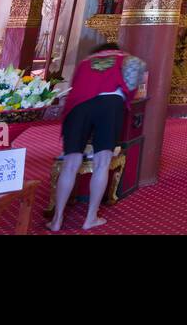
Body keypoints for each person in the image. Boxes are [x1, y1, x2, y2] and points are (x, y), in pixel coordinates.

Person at [48, 43, 145, 231]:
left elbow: (73, 87)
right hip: (110, 104)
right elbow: (132, 86)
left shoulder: (86, 61)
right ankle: (90, 217)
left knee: (70, 164)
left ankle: (57, 219)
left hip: (79, 106)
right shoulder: (126, 58)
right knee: (102, 162)